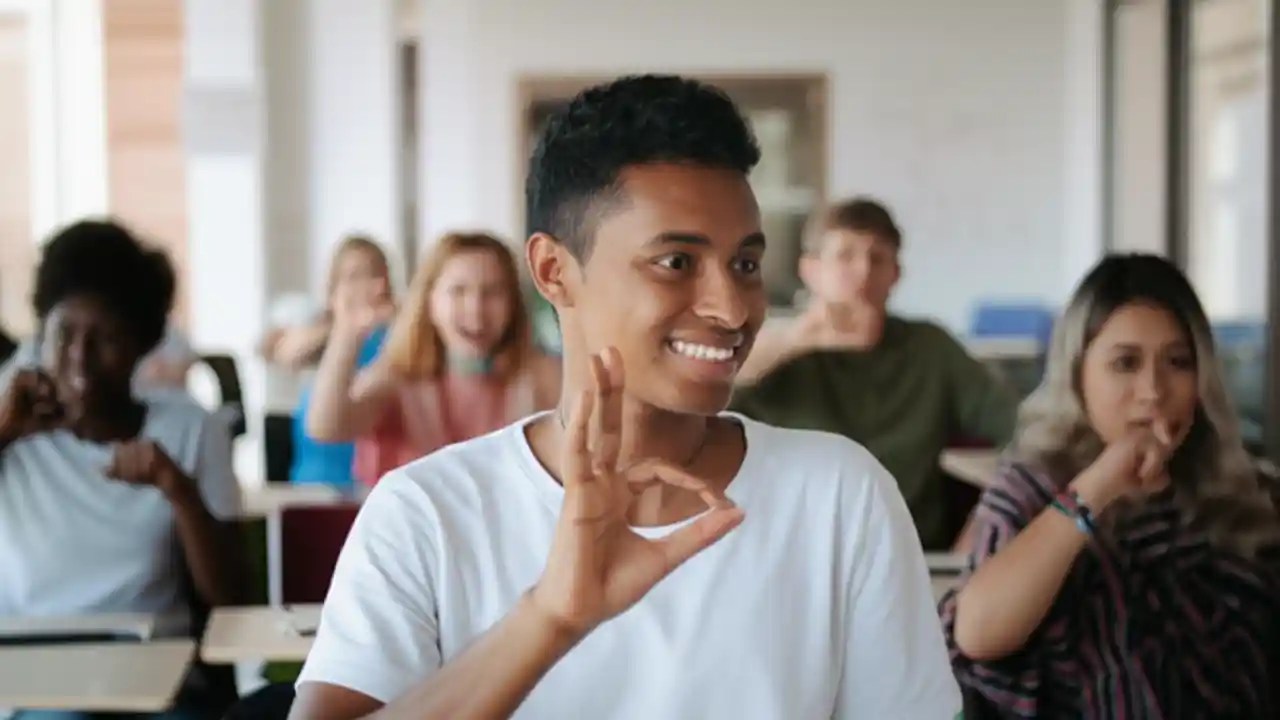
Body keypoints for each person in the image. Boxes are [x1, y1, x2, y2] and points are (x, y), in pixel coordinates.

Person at [289, 75, 959, 720]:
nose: (730, 308)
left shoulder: (839, 494)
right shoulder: (426, 513)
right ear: (555, 271)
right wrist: (550, 618)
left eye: (745, 265)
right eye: (676, 262)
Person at [941, 254, 1280, 717]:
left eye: (1177, 362)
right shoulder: (1031, 486)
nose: (1153, 390)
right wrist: (1097, 487)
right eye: (1125, 363)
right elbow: (978, 634)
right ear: (1078, 375)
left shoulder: (1247, 493)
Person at [0, 221, 243, 716]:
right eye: (63, 335)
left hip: (153, 668)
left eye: (106, 338)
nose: (80, 360)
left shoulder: (188, 429)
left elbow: (231, 598)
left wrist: (178, 490)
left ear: (141, 345)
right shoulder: (9, 420)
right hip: (35, 671)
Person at [730, 198, 1018, 550]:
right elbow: (707, 400)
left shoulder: (929, 347)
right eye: (845, 256)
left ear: (895, 274)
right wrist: (799, 340)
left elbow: (1023, 431)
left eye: (877, 258)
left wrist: (987, 521)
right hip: (797, 554)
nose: (863, 272)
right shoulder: (777, 352)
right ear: (811, 269)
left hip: (911, 557)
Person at [305, 232, 559, 488]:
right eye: (458, 291)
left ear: (513, 304)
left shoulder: (541, 376)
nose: (476, 308)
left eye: (492, 292)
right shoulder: (397, 376)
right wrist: (348, 332)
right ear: (429, 301)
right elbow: (326, 428)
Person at [261, 235, 393, 487]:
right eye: (354, 276)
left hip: (365, 473)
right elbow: (284, 354)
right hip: (315, 472)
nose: (366, 285)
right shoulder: (319, 328)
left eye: (374, 274)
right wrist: (343, 325)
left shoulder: (395, 332)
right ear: (334, 285)